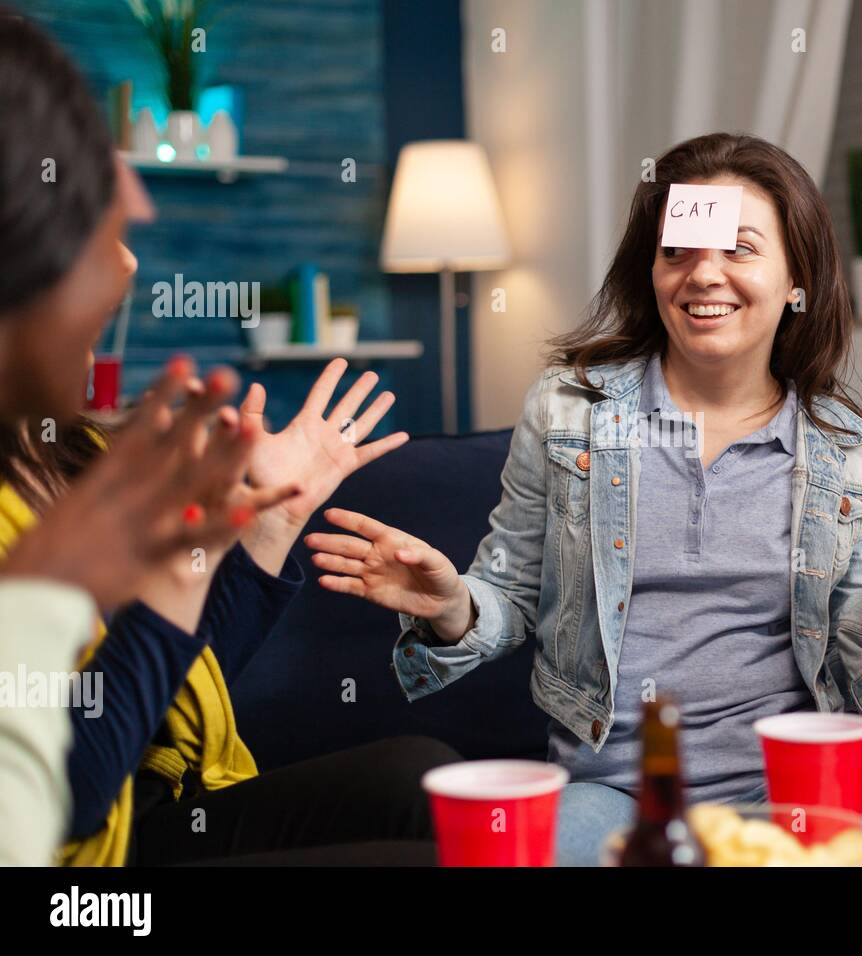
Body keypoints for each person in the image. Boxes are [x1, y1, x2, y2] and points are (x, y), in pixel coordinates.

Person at [307, 132, 862, 865]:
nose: (702, 275)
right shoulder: (567, 411)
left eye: (738, 248)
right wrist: (452, 604)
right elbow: (510, 594)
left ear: (798, 278)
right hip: (610, 786)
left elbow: (852, 677)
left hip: (789, 788)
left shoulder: (843, 446)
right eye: (678, 250)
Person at [0, 11, 459, 865]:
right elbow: (55, 804)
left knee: (422, 783)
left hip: (156, 813)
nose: (131, 261)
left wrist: (262, 531)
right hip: (79, 864)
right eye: (88, 222)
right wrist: (174, 567)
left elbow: (168, 687)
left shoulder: (70, 455)